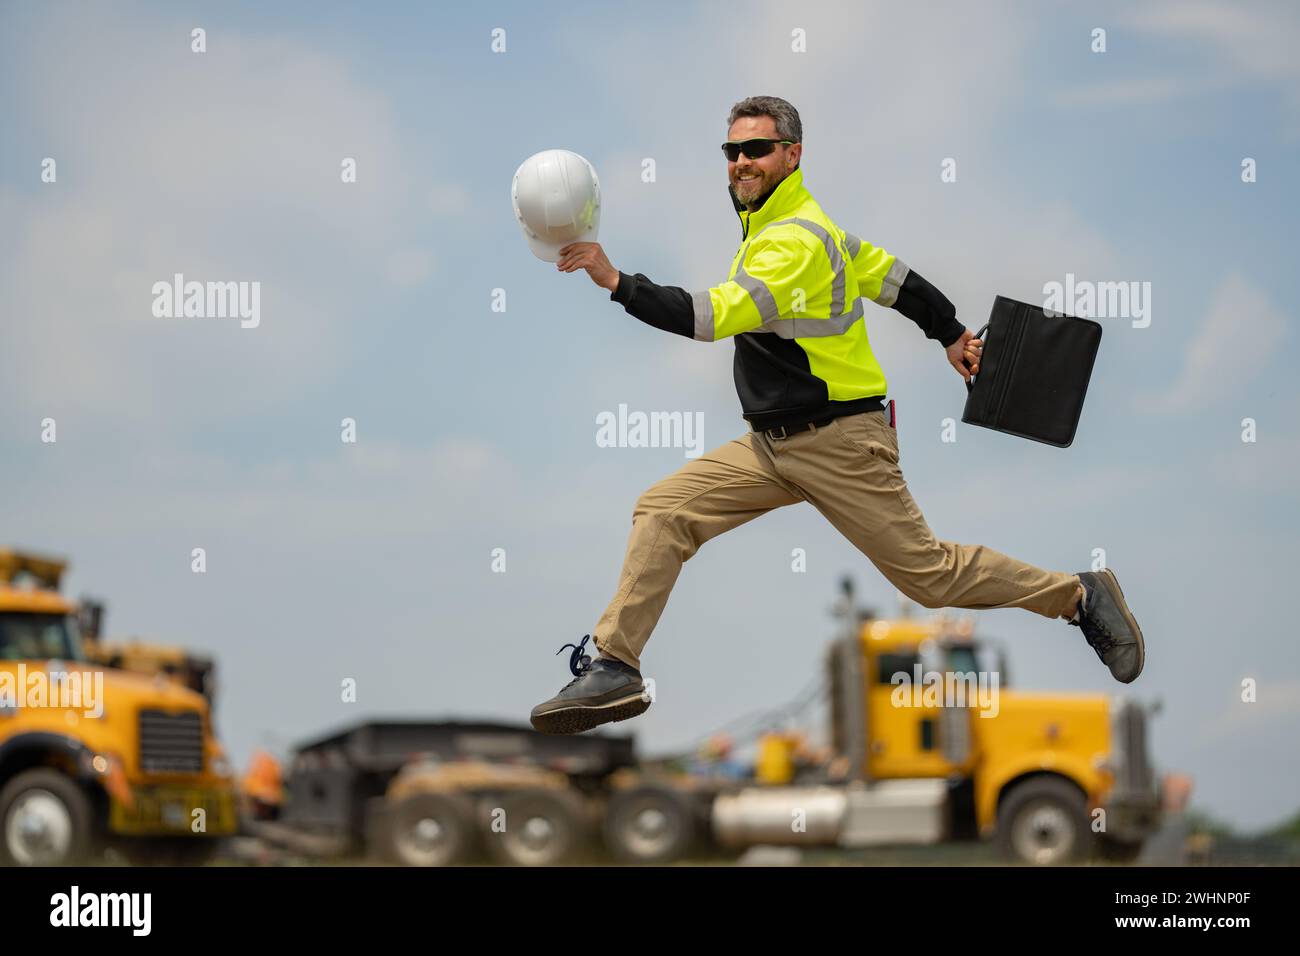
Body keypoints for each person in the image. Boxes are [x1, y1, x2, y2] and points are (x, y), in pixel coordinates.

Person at [529, 95, 1144, 736]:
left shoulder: (792, 243)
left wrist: (615, 280)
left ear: (791, 155)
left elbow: (708, 318)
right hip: (772, 447)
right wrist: (952, 333)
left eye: (757, 149)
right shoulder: (796, 228)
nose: (742, 162)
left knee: (930, 578)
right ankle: (615, 665)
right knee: (664, 509)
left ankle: (1077, 595)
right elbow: (891, 276)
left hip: (841, 444)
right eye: (732, 151)